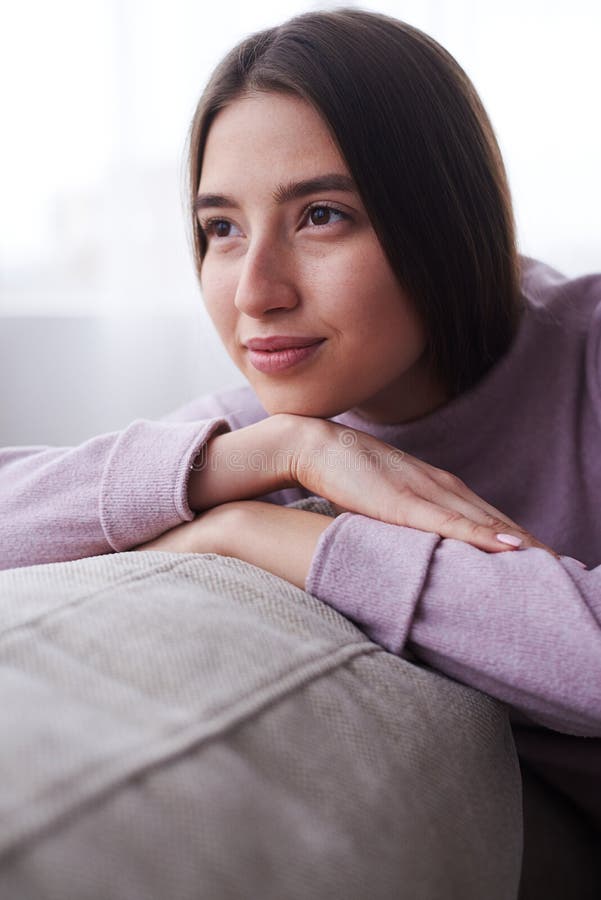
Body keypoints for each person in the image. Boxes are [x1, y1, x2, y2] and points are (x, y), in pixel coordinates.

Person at [1, 4, 599, 875]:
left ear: (443, 214)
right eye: (221, 229)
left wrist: (270, 533)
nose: (255, 292)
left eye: (320, 215)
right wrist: (280, 456)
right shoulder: (259, 434)